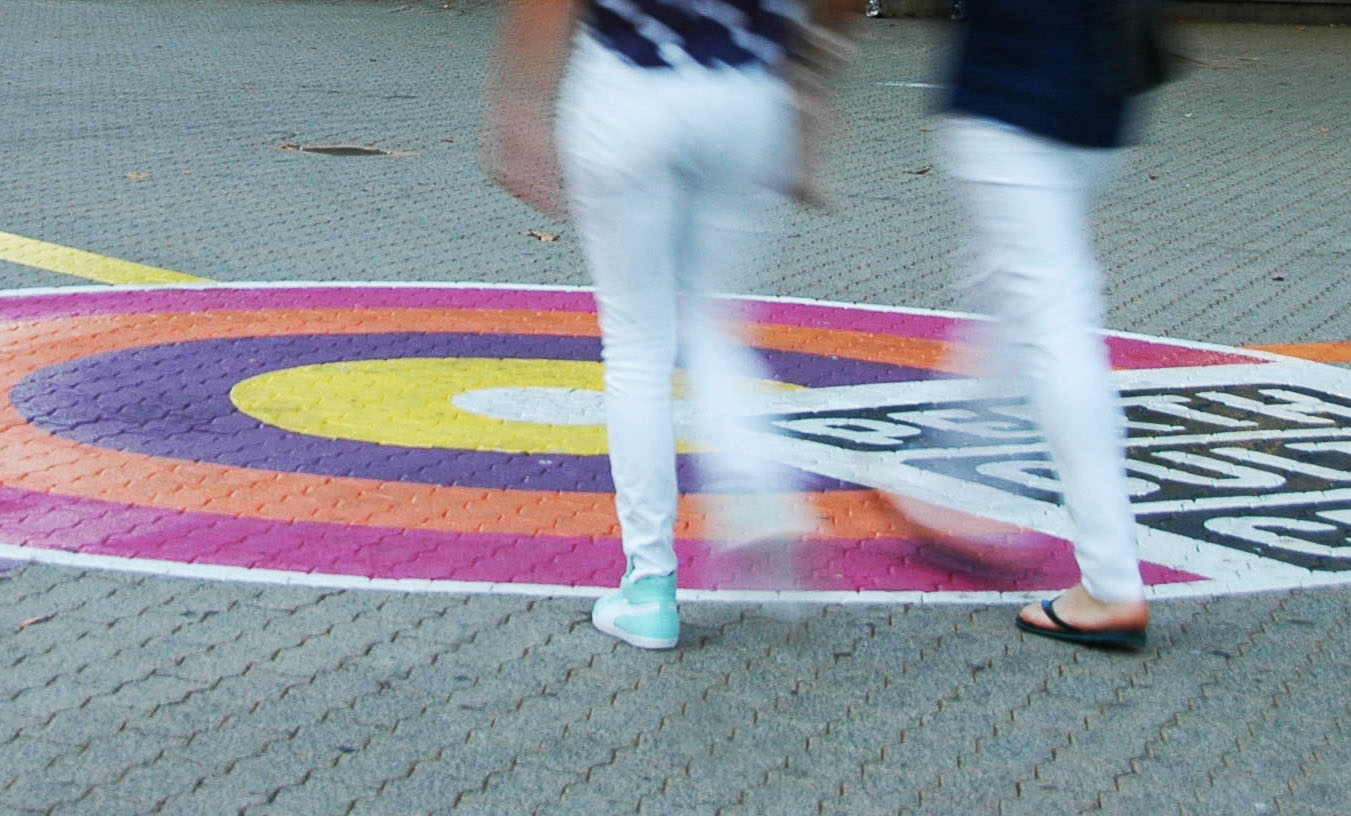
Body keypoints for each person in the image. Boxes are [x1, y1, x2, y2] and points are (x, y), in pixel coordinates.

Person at [486, 0, 854, 649]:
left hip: (626, 89)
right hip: (744, 93)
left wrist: (518, 101)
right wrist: (810, 84)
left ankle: (650, 587)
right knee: (713, 320)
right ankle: (753, 478)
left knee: (636, 348)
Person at [908, 0, 1170, 648]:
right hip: (1099, 95)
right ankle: (946, 480)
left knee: (1053, 323)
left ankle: (1108, 582)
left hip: (1014, 84)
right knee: (1010, 286)